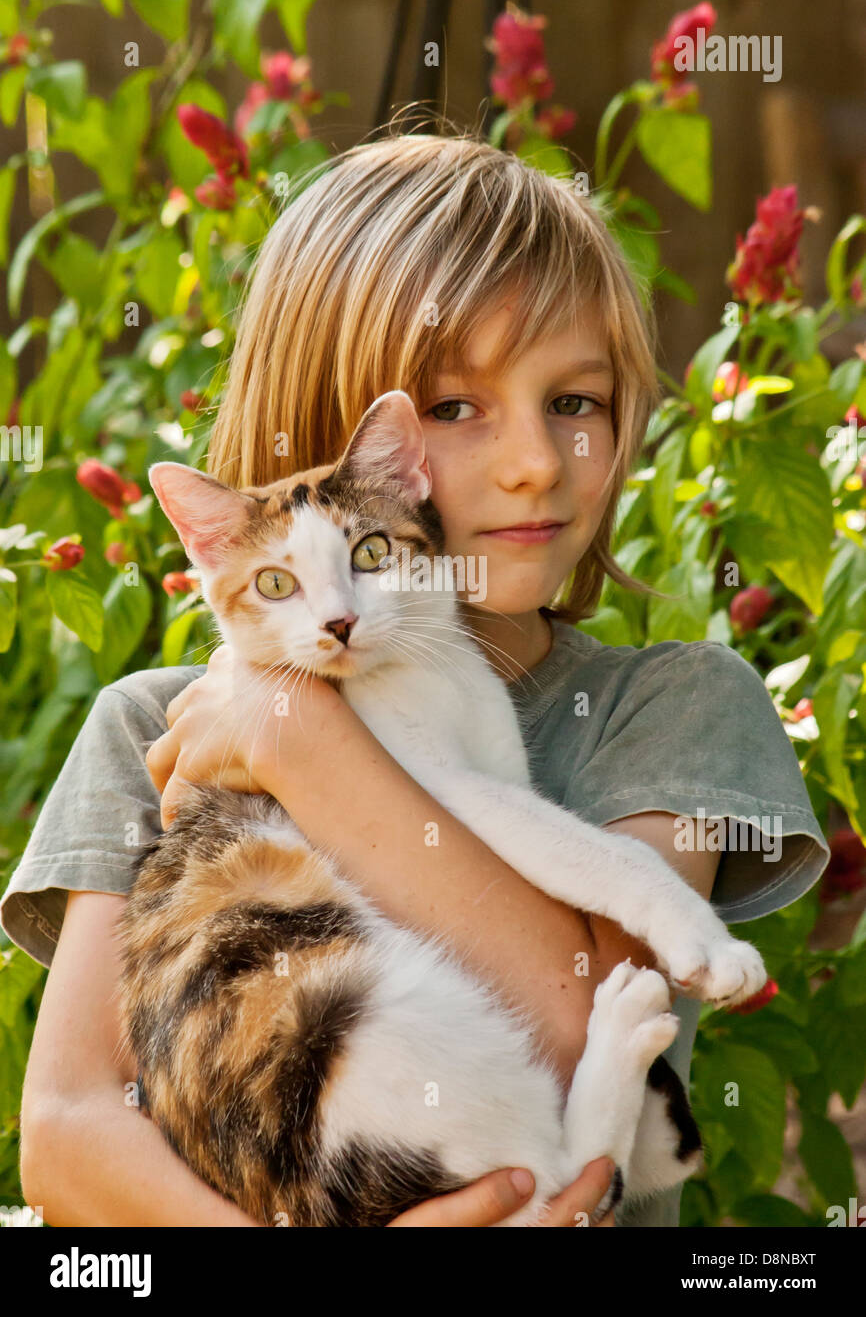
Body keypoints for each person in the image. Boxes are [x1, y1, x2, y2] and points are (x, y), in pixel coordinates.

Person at [2, 131, 829, 1228]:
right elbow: (64, 1134)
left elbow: (573, 1027)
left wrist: (295, 739)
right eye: (451, 409)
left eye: (574, 402)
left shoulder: (668, 704)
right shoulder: (154, 727)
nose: (535, 458)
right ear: (352, 448)